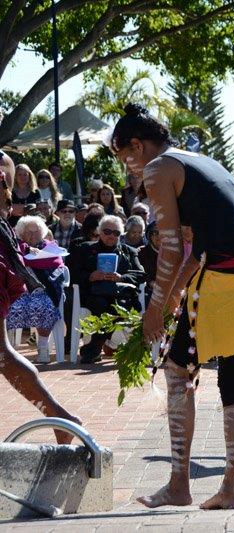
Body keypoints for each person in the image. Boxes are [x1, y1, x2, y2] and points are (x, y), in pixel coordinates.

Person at [111, 103, 234, 510]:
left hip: (229, 278)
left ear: (138, 145)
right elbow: (203, 245)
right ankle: (228, 488)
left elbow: (170, 249)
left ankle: (179, 484)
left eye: (126, 158)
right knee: (231, 374)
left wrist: (155, 308)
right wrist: (173, 297)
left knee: (175, 370)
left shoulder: (158, 169)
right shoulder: (200, 160)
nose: (131, 169)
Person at [0, 153, 82, 443]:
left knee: (3, 354)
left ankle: (60, 416)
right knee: (3, 354)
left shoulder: (4, 162)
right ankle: (59, 416)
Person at [72, 215, 144, 363]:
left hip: (121, 295)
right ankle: (95, 348)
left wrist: (121, 277)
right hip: (93, 294)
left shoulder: (129, 251)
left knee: (115, 307)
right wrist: (91, 276)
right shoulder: (85, 249)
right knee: (102, 305)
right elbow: (73, 273)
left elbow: (140, 275)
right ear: (99, 231)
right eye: (107, 231)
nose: (111, 235)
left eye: (116, 233)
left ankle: (93, 348)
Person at [7, 216, 67, 363]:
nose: (33, 235)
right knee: (9, 308)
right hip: (18, 291)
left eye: (37, 231)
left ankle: (43, 347)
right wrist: (30, 259)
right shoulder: (15, 247)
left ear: (42, 232)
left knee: (45, 306)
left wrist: (31, 260)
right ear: (21, 233)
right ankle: (7, 348)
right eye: (29, 232)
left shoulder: (49, 246)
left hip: (43, 290)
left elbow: (57, 261)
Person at [139, 221, 160, 305]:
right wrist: (150, 282)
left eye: (163, 232)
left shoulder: (175, 253)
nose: (159, 236)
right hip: (148, 290)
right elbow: (139, 274)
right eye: (155, 233)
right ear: (149, 236)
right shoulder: (140, 252)